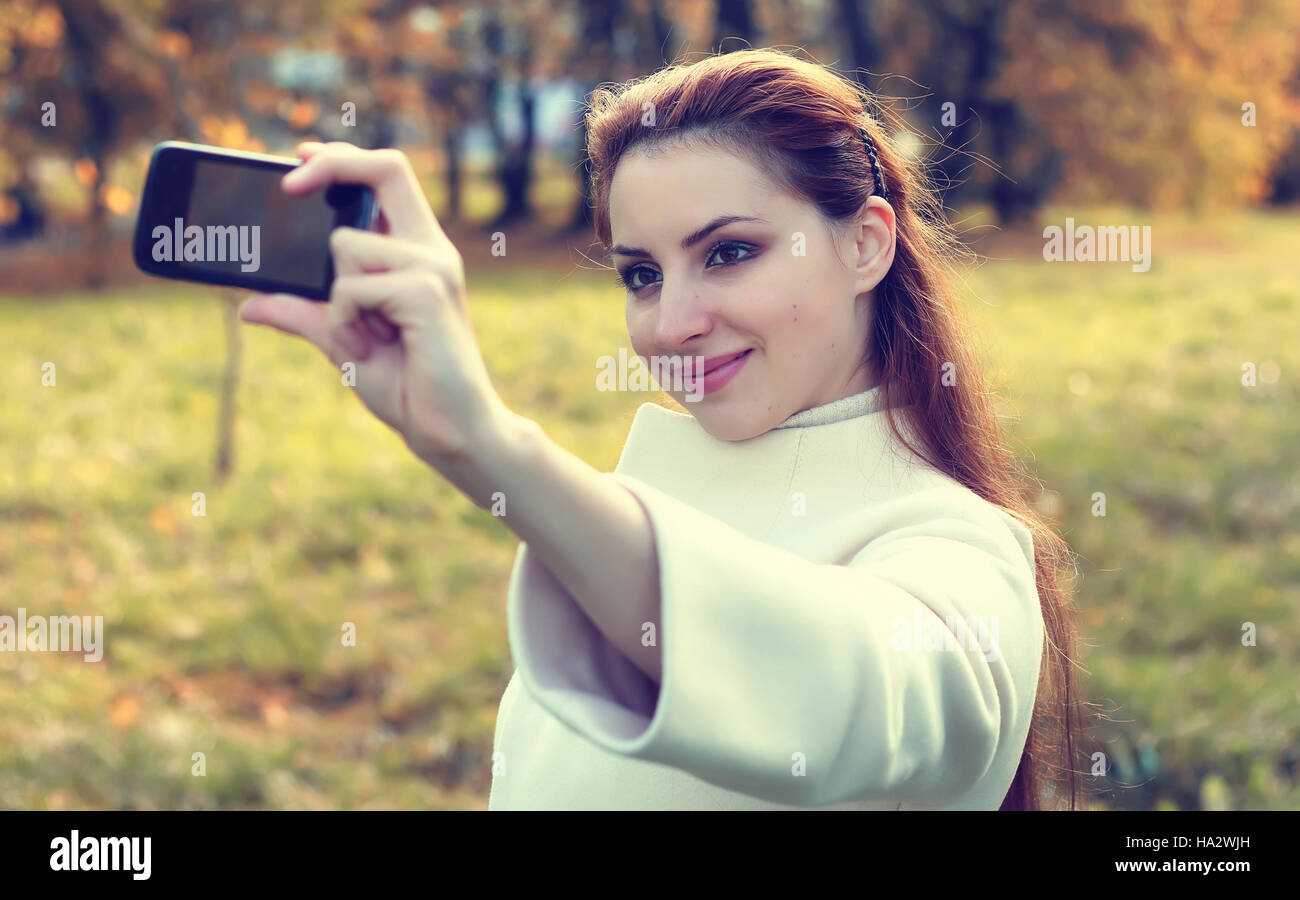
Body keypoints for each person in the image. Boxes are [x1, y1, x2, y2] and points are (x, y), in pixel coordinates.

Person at [239, 48, 1085, 810]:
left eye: (728, 253)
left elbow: (842, 702)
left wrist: (489, 445)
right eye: (641, 275)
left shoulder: (961, 553)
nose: (670, 323)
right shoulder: (643, 511)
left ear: (866, 245)